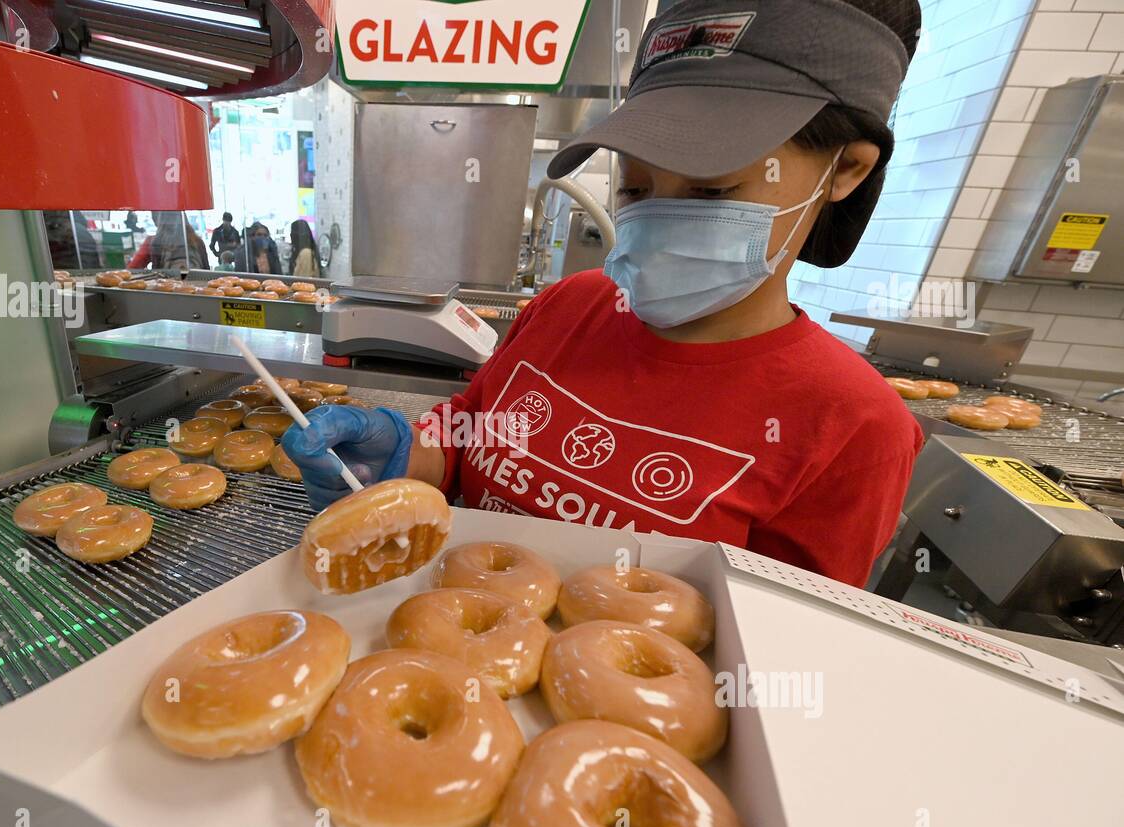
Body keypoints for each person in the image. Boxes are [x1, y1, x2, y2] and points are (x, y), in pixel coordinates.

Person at [283, 0, 925, 588]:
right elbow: (468, 435)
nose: (658, 219)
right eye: (637, 189)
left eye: (711, 192)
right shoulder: (571, 306)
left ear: (847, 168)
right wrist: (402, 458)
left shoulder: (854, 427)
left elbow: (783, 641)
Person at [128, 212, 209, 270]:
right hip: (196, 288)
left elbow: (135, 268)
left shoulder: (156, 241)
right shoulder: (197, 241)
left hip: (169, 289)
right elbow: (206, 270)